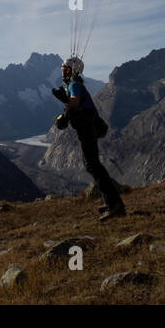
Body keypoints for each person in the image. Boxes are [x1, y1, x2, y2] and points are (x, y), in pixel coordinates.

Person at [53, 56, 126, 220]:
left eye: (65, 69)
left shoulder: (74, 85)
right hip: (86, 128)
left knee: (93, 166)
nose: (63, 72)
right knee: (92, 165)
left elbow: (75, 102)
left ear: (73, 71)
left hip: (86, 129)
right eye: (63, 69)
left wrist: (64, 101)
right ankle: (111, 202)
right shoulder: (75, 84)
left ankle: (115, 205)